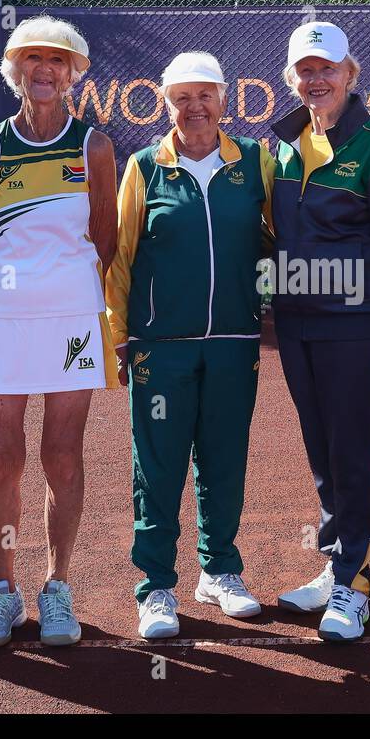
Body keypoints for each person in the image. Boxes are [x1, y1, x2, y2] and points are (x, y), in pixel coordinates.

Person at [0, 16, 118, 648]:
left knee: (61, 455)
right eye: (33, 62)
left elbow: (104, 237)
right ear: (15, 72)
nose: (46, 71)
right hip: (2, 319)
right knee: (3, 458)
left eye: (58, 63)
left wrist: (65, 288)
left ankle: (57, 588)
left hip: (73, 320)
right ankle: (3, 591)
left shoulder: (95, 148)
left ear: (72, 74)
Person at [105, 52, 277, 640]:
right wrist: (120, 335)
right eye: (183, 97)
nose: (195, 107)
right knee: (158, 467)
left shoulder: (254, 162)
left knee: (225, 459)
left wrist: (275, 299)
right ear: (166, 103)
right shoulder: (144, 166)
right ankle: (155, 587)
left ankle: (220, 571)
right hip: (161, 344)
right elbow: (121, 254)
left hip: (234, 340)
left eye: (206, 95)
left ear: (225, 100)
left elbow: (279, 242)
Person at [271, 21, 370, 643]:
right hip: (297, 326)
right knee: (323, 451)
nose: (316, 79)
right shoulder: (281, 145)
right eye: (305, 70)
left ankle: (354, 582)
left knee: (353, 453)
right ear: (291, 77)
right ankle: (336, 562)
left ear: (351, 74)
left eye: (327, 68)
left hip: (357, 329)